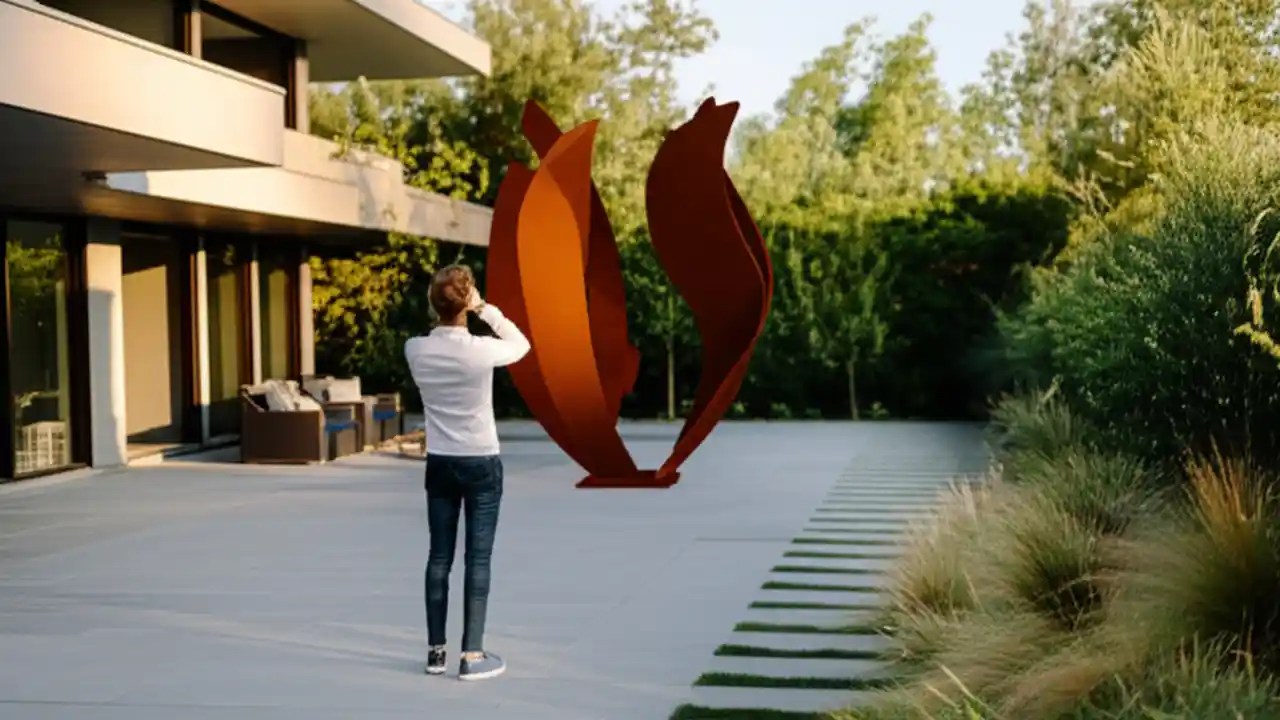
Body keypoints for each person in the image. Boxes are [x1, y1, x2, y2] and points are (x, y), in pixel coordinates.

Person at [404, 264, 530, 680]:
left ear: (432, 304)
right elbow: (521, 344)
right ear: (467, 302)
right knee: (478, 558)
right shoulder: (480, 349)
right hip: (480, 462)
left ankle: (436, 653)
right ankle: (471, 656)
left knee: (438, 556)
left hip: (440, 462)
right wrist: (486, 309)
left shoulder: (415, 349)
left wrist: (465, 305)